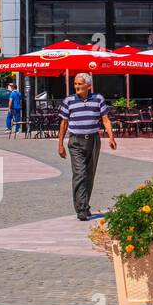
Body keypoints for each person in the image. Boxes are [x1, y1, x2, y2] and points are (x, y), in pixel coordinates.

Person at [56, 72, 118, 221]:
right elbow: (63, 123)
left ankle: (85, 204)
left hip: (93, 140)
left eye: (80, 84)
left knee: (89, 175)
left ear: (88, 86)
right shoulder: (69, 101)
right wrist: (60, 145)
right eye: (75, 84)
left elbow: (105, 119)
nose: (77, 86)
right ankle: (81, 209)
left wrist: (111, 137)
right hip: (75, 142)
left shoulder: (98, 99)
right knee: (80, 174)